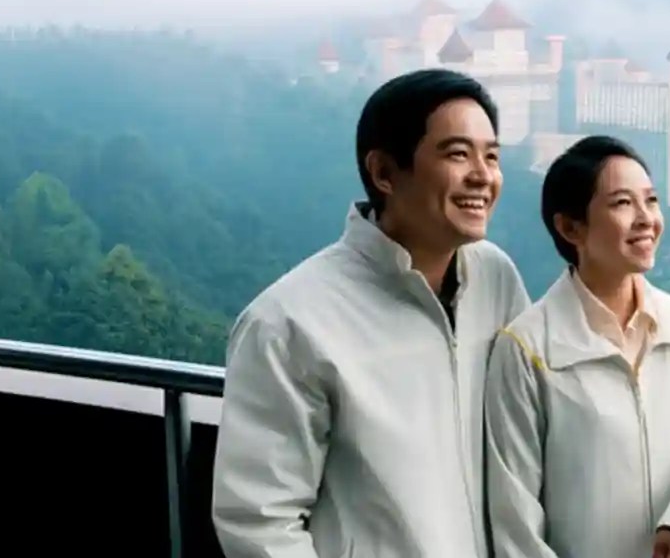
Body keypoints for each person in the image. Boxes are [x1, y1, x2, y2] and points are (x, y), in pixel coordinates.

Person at [212, 69, 532, 558]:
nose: (483, 176)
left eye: (491, 155)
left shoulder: (496, 280)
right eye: (457, 153)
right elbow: (260, 523)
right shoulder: (288, 322)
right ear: (384, 172)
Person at [485, 135, 670, 558]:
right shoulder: (527, 349)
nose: (646, 219)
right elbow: (516, 525)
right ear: (569, 227)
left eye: (651, 201)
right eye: (622, 203)